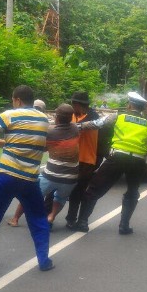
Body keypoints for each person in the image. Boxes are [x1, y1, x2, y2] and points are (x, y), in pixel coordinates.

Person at [0, 85, 54, 271]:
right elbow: (19, 141)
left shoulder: (10, 115)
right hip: (29, 179)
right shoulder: (44, 119)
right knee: (39, 218)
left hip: (5, 176)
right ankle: (44, 261)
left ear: (17, 100)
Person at [74, 92, 147, 234]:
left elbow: (96, 124)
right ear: (141, 108)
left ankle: (82, 222)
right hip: (137, 162)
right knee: (132, 193)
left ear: (129, 105)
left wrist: (76, 127)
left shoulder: (118, 117)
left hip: (117, 158)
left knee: (94, 189)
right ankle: (124, 226)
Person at [6, 103, 79, 228]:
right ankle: (51, 217)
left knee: (30, 195)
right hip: (72, 176)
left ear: (57, 117)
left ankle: (15, 219)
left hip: (51, 174)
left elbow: (42, 147)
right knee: (60, 198)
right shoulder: (75, 129)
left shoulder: (49, 132)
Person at [64, 91, 101, 230]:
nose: (72, 106)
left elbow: (82, 126)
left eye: (73, 104)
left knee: (80, 191)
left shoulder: (93, 117)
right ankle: (71, 218)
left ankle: (79, 219)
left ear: (78, 104)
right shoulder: (72, 115)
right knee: (69, 190)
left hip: (86, 160)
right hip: (70, 158)